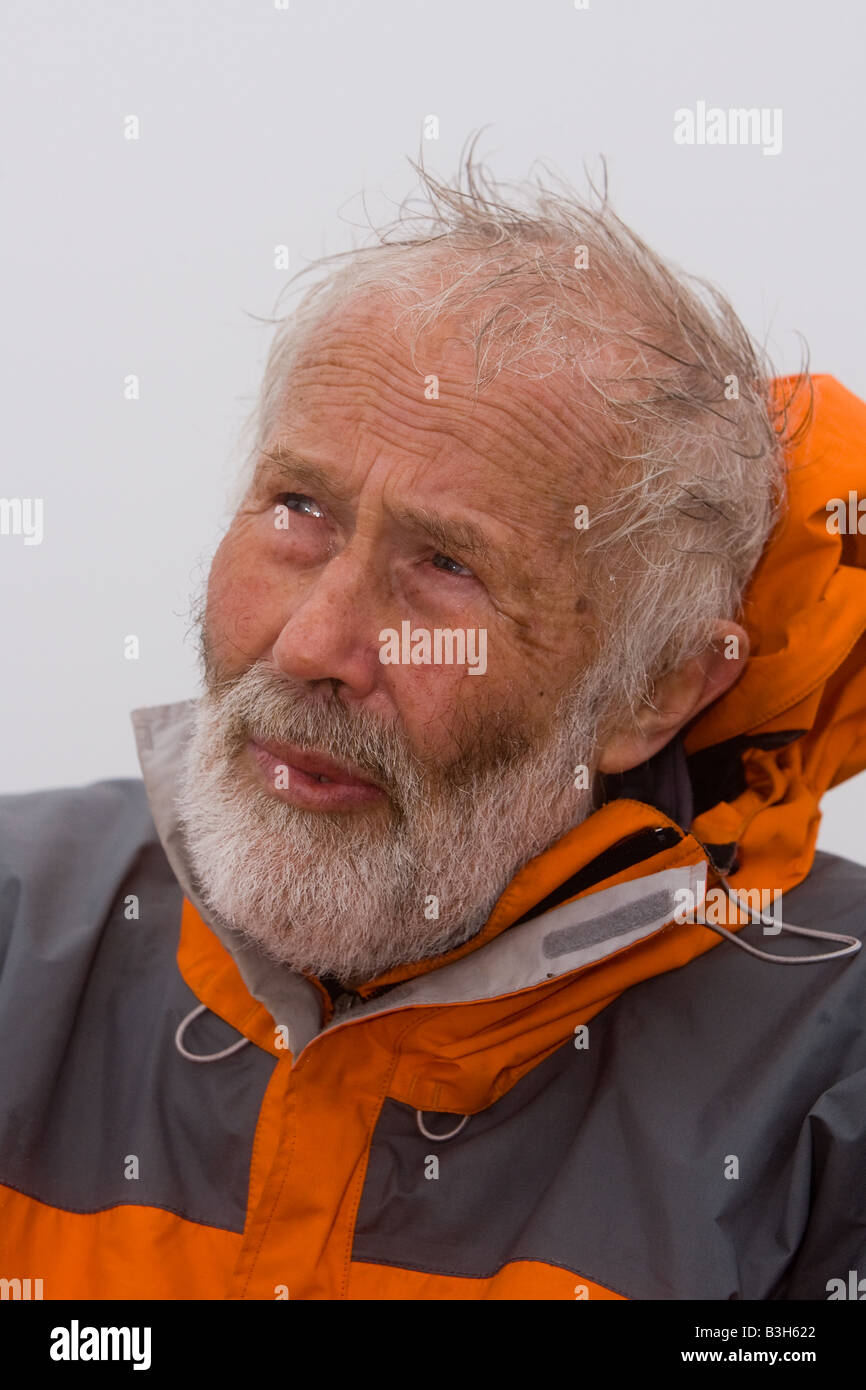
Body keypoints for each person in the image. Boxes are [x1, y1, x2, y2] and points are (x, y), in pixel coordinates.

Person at [2, 150, 865, 1302]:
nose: (313, 644)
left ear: (657, 685)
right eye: (298, 509)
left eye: (446, 567)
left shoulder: (828, 1078)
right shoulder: (18, 931)